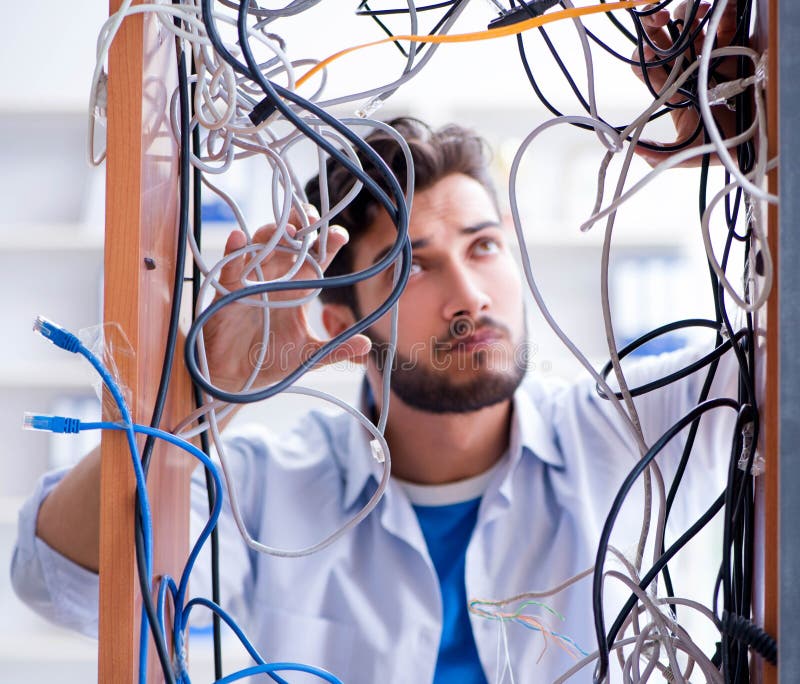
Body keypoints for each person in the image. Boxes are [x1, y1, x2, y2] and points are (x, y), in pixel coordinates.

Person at [11, 7, 743, 683]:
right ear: (342, 317)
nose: (470, 295)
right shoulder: (271, 491)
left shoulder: (634, 431)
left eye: (483, 246)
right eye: (413, 264)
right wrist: (196, 392)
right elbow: (59, 580)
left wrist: (744, 143)